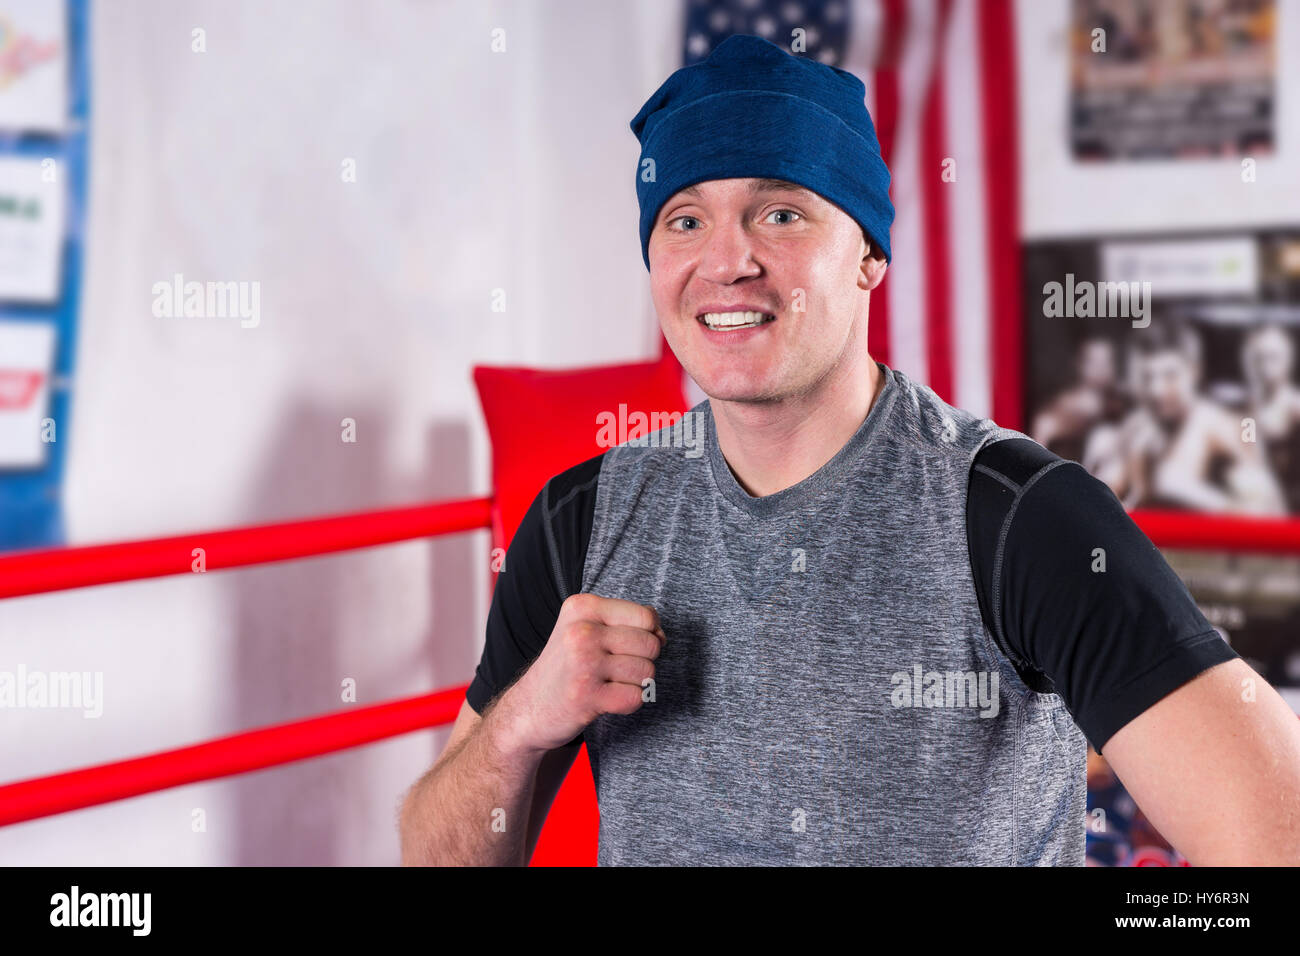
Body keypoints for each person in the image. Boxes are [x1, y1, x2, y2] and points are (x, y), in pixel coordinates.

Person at [399, 34, 1300, 866]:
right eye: (683, 219)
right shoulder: (582, 519)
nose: (727, 261)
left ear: (868, 253)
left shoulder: (1018, 517)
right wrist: (520, 724)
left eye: (780, 214)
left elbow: (1276, 829)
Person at [1087, 320, 1286, 514]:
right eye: (1148, 377)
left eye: (1170, 376)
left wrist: (1197, 494)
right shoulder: (1137, 428)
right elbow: (1102, 505)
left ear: (1193, 372)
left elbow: (1271, 514)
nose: (1157, 390)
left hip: (1213, 543)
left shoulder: (1233, 428)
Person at [1241, 323, 1300, 513]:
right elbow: (1247, 456)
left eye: (1273, 357)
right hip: (1262, 505)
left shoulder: (1296, 407)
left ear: (1288, 358)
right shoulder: (1248, 410)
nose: (1266, 366)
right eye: (1260, 358)